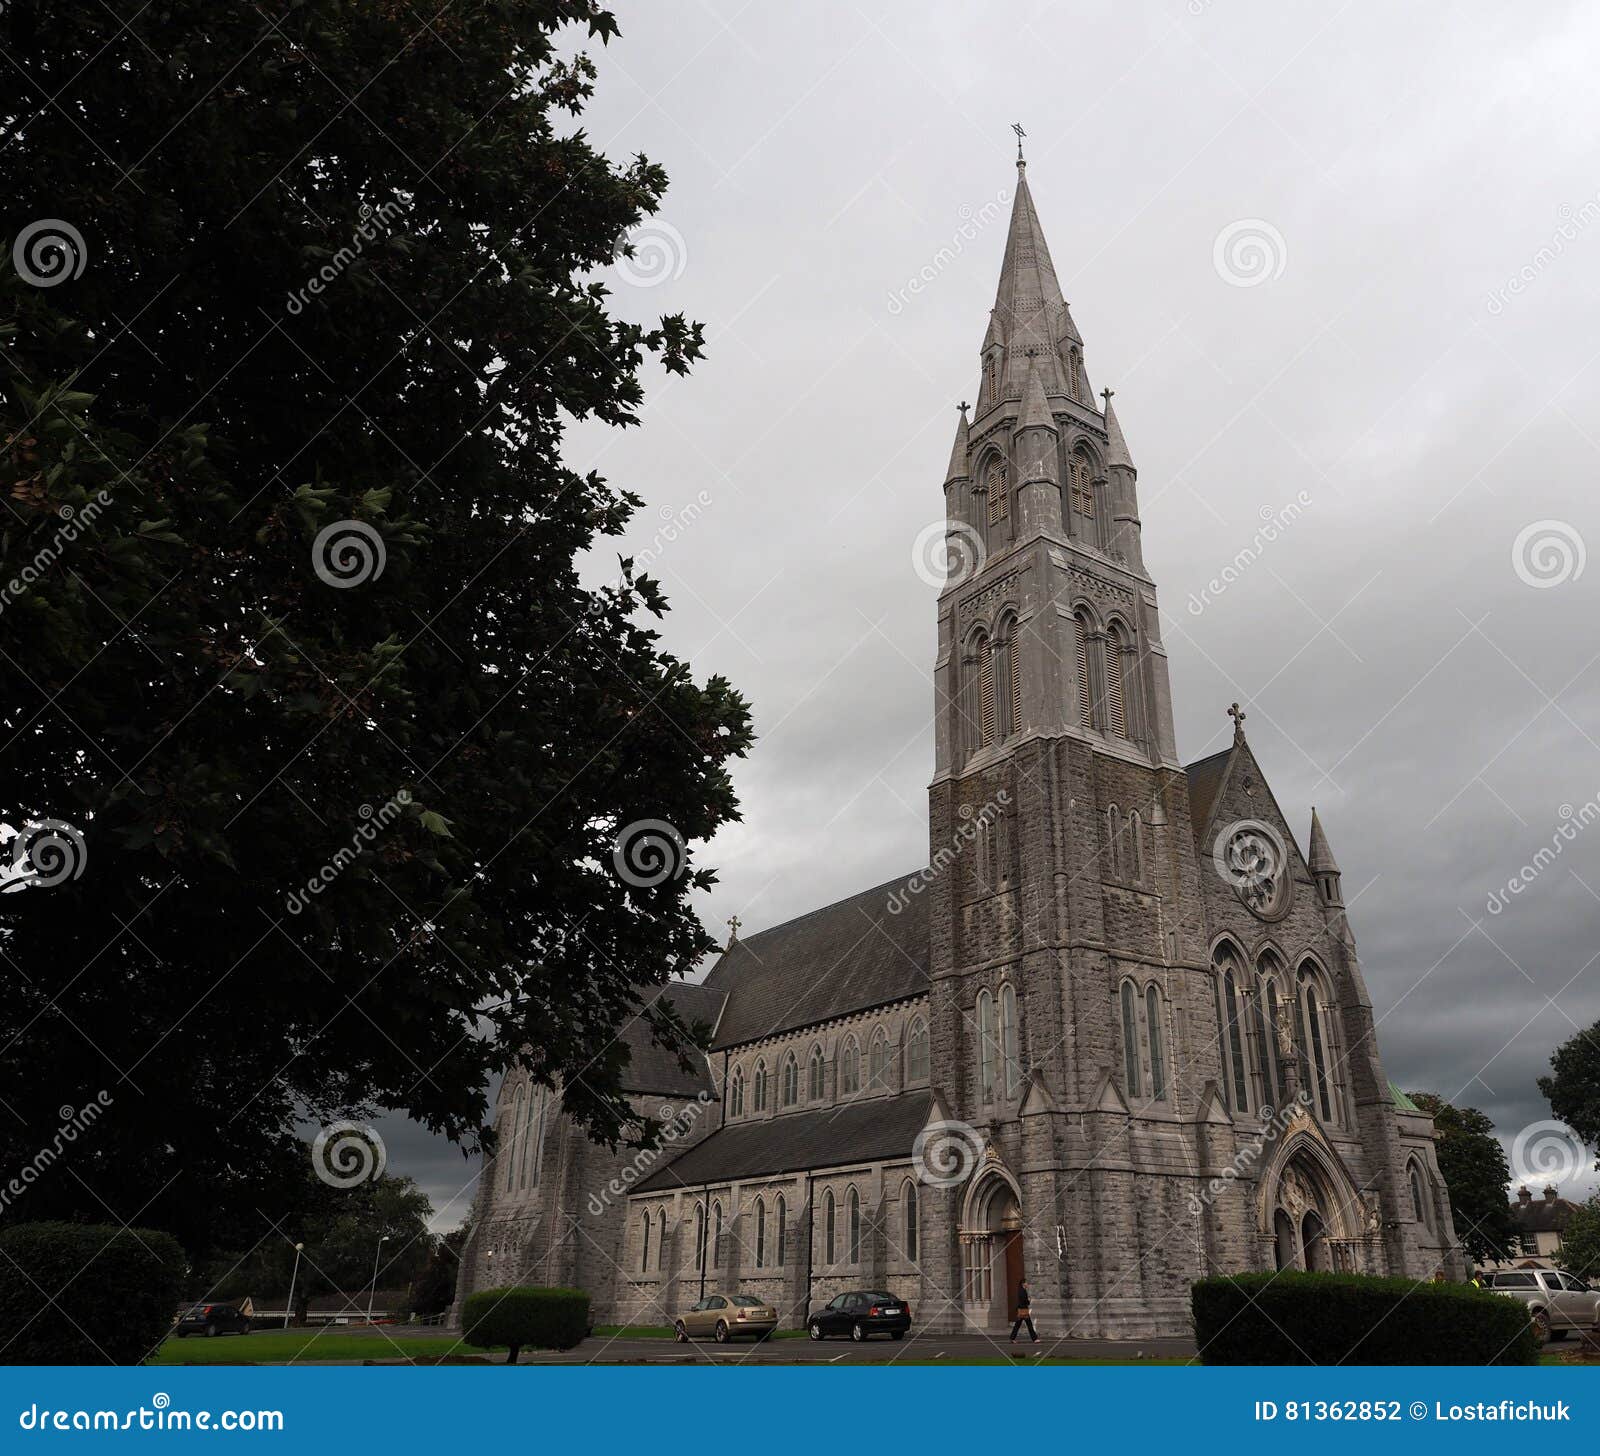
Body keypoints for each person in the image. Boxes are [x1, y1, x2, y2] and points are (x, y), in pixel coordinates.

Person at [1010, 1279, 1037, 1343]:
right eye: (1026, 1283)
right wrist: (1029, 1301)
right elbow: (1024, 1300)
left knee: (1018, 1325)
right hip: (1023, 1310)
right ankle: (1035, 1339)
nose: (1027, 1284)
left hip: (1022, 1310)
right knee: (1029, 1325)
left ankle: (1012, 1338)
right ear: (1023, 1284)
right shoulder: (1022, 1291)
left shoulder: (1022, 1290)